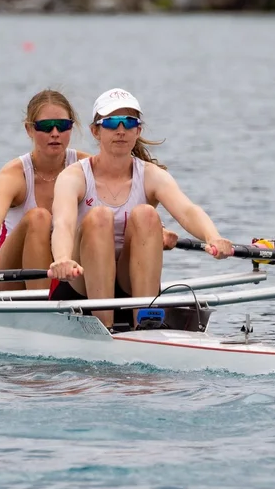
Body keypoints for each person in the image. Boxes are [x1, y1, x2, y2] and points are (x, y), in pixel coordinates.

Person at [48, 87, 235, 328]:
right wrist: (62, 258)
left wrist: (214, 237)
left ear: (138, 130)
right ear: (96, 131)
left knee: (147, 215)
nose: (121, 130)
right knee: (99, 217)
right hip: (81, 282)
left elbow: (188, 210)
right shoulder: (74, 176)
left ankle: (146, 322)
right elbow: (62, 223)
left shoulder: (150, 175)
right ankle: (103, 325)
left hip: (130, 281)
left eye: (128, 122)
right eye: (112, 122)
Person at [0, 89, 86, 289]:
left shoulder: (86, 166)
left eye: (63, 126)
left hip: (68, 272)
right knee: (39, 217)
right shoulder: (13, 174)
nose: (55, 133)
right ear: (29, 129)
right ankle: (41, 309)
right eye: (45, 127)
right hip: (12, 275)